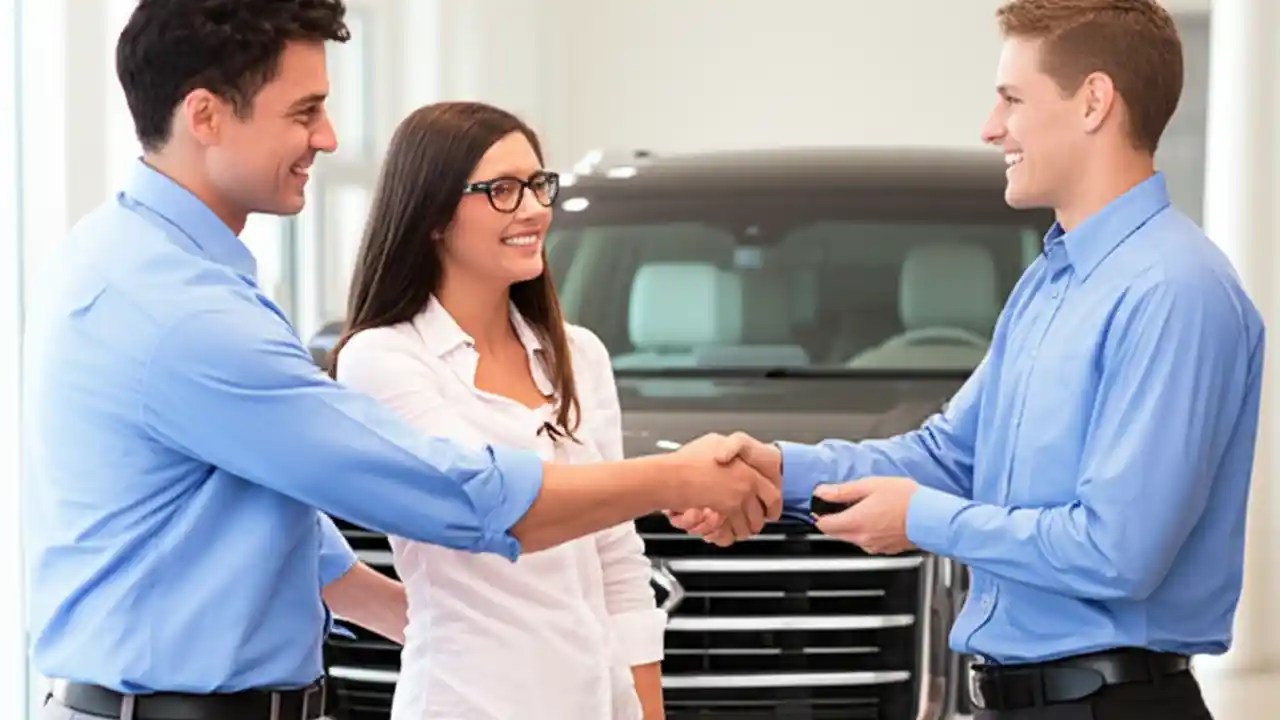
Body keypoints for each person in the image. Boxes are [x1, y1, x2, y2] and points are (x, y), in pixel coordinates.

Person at [22, 3, 778, 719]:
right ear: (206, 115)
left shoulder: (140, 262)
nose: (327, 138)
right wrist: (673, 477)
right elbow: (447, 491)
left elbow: (246, 493)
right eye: (304, 111)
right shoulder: (184, 313)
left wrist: (416, 616)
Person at [674, 1, 1263, 718]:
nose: (991, 127)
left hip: (1109, 703)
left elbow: (1119, 553)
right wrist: (777, 472)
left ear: (1094, 102)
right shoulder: (1050, 282)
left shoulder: (1176, 291)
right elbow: (951, 455)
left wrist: (924, 521)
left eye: (1012, 98)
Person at [328, 101, 665, 720]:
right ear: (431, 214)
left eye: (539, 185)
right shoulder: (383, 361)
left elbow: (617, 556)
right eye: (504, 190)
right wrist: (675, 477)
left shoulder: (578, 354)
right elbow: (503, 509)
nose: (536, 208)